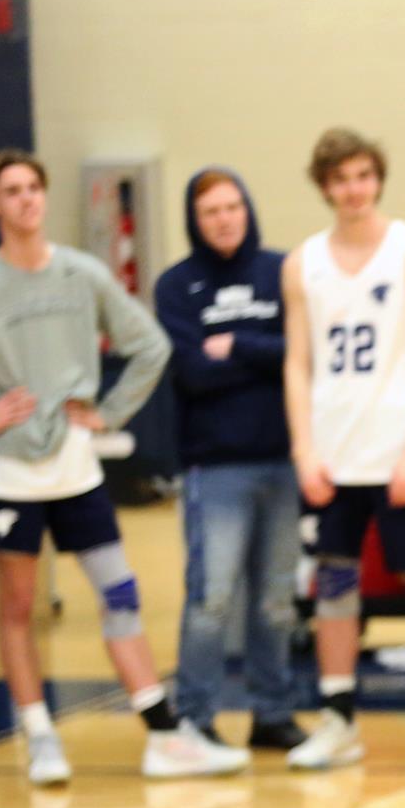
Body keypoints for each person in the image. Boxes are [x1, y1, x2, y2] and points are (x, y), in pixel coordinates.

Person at [0, 149, 246, 783]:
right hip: (14, 470)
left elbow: (150, 345)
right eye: (12, 191)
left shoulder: (82, 274)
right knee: (19, 602)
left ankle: (164, 737)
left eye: (34, 188)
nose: (27, 199)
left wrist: (108, 411)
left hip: (76, 467)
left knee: (120, 591)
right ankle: (39, 735)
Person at [282, 128, 405, 770]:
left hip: (397, 452)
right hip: (335, 455)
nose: (353, 189)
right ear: (325, 186)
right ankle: (337, 721)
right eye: (340, 179)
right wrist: (305, 450)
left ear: (377, 179)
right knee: (333, 584)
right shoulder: (301, 263)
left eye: (362, 175)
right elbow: (297, 363)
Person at [157, 167, 307, 753]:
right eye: (211, 211)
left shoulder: (280, 271)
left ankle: (273, 712)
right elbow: (192, 371)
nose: (224, 219)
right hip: (214, 468)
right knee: (211, 598)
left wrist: (238, 346)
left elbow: (300, 353)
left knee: (275, 599)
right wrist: (264, 360)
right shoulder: (177, 286)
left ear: (247, 209)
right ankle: (194, 715)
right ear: (195, 222)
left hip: (283, 462)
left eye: (232, 207)